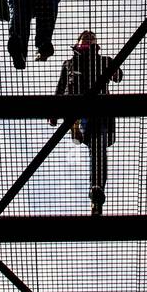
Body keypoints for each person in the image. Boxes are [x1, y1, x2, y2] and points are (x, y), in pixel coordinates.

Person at [49, 30, 122, 215]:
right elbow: (60, 87)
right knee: (96, 144)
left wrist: (114, 69)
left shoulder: (104, 60)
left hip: (100, 112)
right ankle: (74, 125)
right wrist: (54, 112)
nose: (89, 40)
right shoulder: (69, 64)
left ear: (96, 44)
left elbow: (119, 76)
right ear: (78, 42)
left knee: (98, 148)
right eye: (85, 38)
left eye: (92, 38)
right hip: (78, 106)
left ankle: (96, 190)